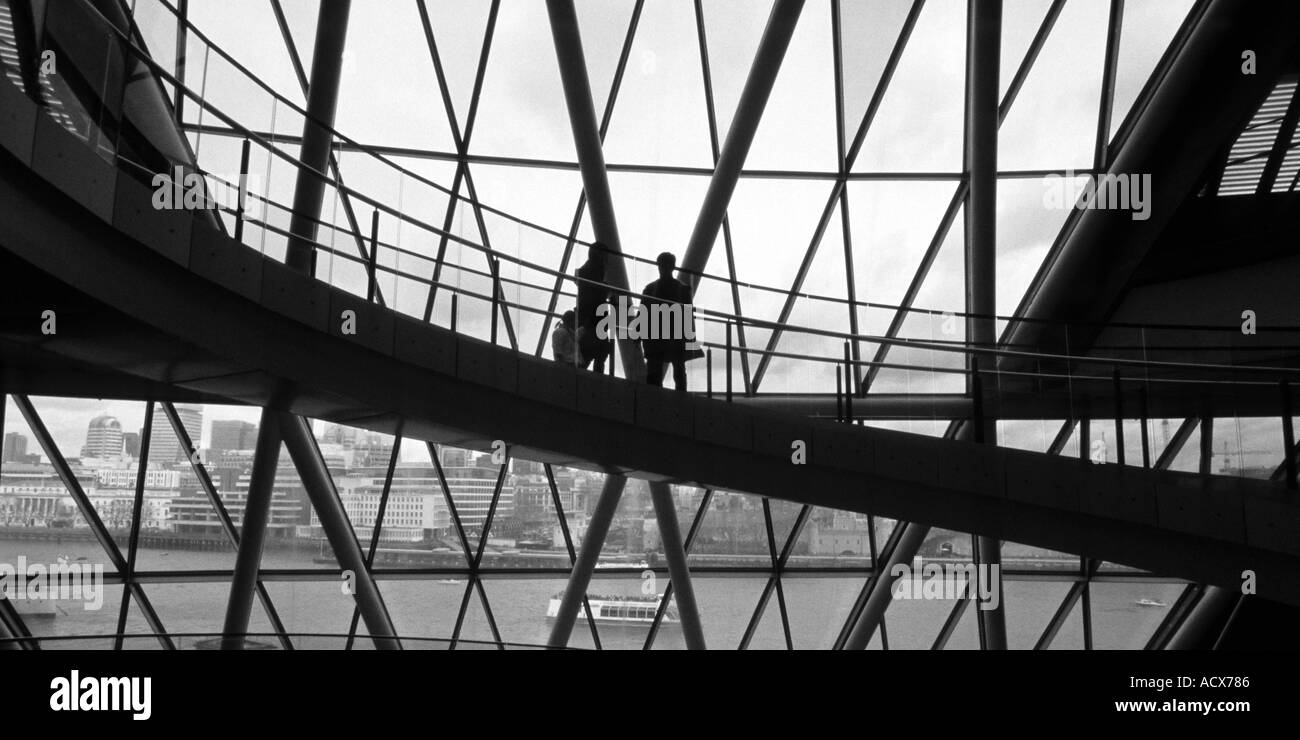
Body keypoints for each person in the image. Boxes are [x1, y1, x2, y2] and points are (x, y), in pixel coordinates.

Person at [641, 251, 691, 391]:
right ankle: (681, 399)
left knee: (654, 374)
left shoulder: (650, 289)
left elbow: (643, 314)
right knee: (679, 372)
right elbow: (688, 316)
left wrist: (639, 333)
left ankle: (654, 402)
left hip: (655, 337)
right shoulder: (683, 289)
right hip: (675, 337)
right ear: (673, 267)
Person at [575, 242, 613, 373]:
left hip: (589, 319)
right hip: (593, 320)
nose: (608, 260)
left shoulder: (588, 271)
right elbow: (595, 296)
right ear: (601, 256)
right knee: (598, 354)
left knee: (587, 356)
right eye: (606, 256)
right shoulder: (595, 271)